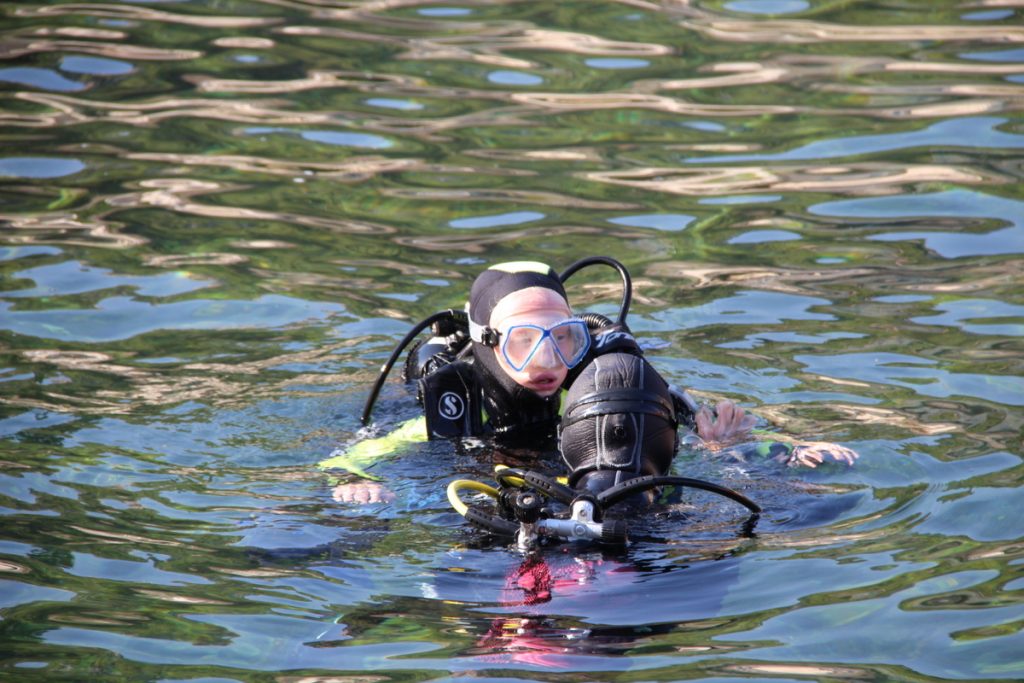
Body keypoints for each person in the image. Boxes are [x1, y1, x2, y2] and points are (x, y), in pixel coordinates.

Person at [321, 258, 855, 505]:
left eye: (565, 338)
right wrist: (350, 480)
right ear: (487, 342)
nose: (548, 359)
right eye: (523, 340)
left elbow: (694, 422)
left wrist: (778, 446)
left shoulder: (593, 382)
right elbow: (350, 455)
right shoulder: (461, 400)